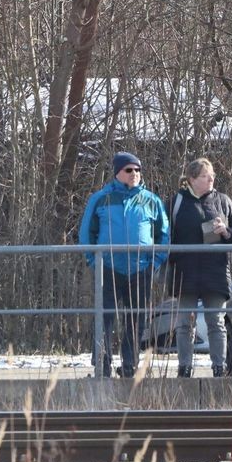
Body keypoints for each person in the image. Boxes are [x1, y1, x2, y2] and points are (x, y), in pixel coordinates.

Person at [78, 151, 170, 378]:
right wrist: (94, 260)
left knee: (136, 319)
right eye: (129, 170)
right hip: (108, 268)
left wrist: (154, 262)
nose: (134, 174)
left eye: (138, 170)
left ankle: (130, 364)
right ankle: (102, 365)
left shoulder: (151, 200)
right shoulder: (101, 198)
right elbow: (87, 232)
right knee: (104, 318)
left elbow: (164, 234)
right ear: (117, 172)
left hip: (141, 268)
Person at [167, 158, 232, 378]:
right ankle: (184, 368)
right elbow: (163, 234)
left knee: (216, 322)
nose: (210, 179)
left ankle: (219, 368)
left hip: (215, 272)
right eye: (204, 176)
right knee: (184, 324)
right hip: (185, 272)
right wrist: (171, 257)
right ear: (192, 179)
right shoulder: (176, 202)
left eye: (212, 175)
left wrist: (226, 232)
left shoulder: (223, 201)